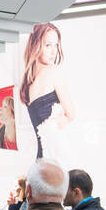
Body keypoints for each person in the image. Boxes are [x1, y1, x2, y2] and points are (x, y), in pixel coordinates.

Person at [20, 23, 75, 159]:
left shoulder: (26, 84)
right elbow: (71, 113)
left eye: (56, 45)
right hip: (56, 154)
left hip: (41, 157)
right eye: (48, 45)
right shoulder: (53, 71)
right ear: (36, 46)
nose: (54, 51)